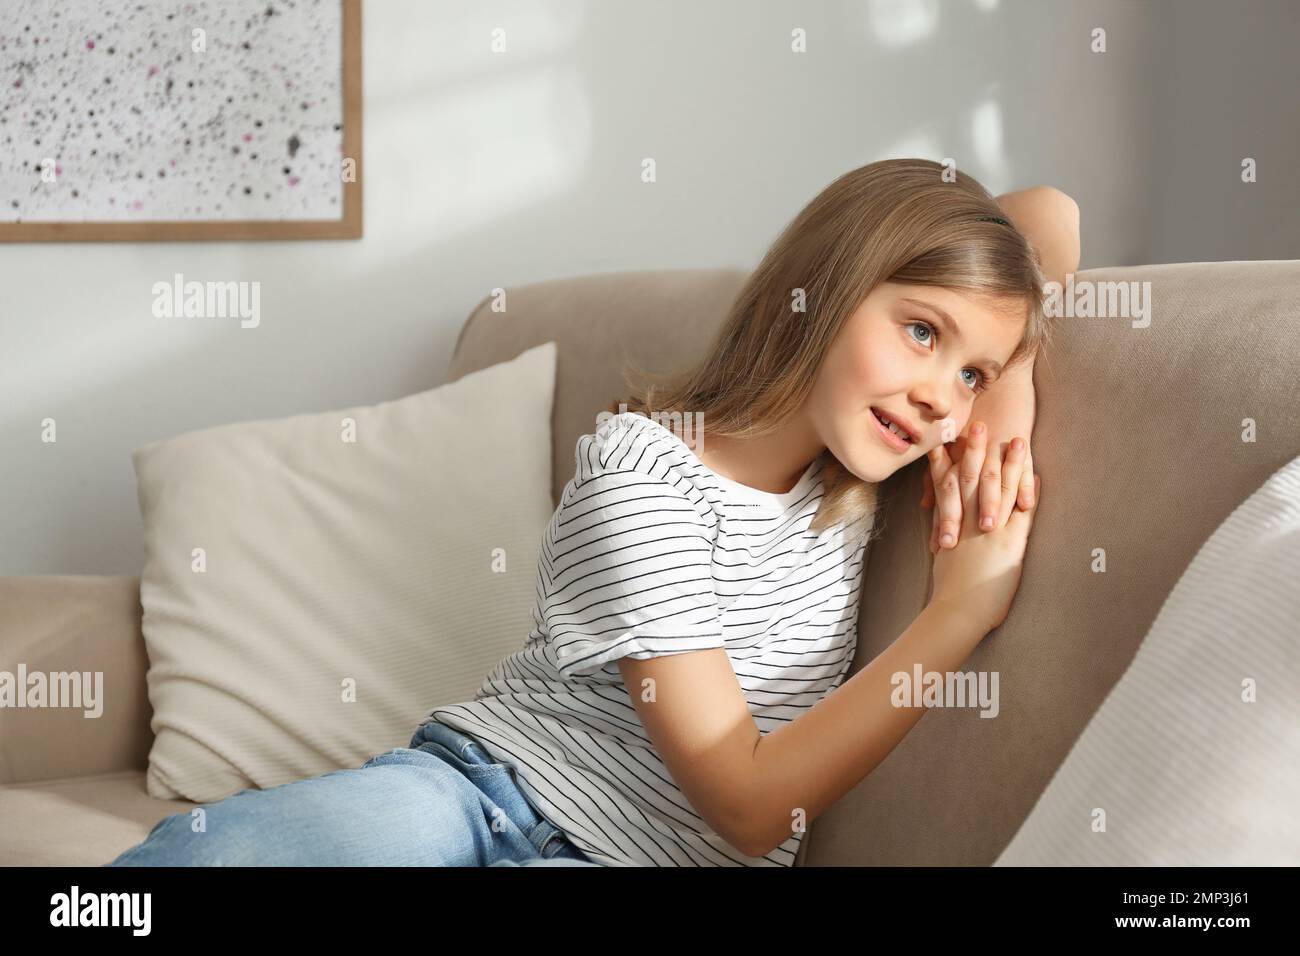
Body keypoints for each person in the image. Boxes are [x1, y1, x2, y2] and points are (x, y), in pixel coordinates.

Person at [109, 157, 1079, 867]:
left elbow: (1050, 215)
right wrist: (958, 613)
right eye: (919, 330)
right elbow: (744, 801)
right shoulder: (643, 470)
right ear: (820, 291)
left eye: (967, 373)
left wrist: (1012, 375)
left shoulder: (855, 480)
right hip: (477, 793)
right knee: (224, 861)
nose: (940, 399)